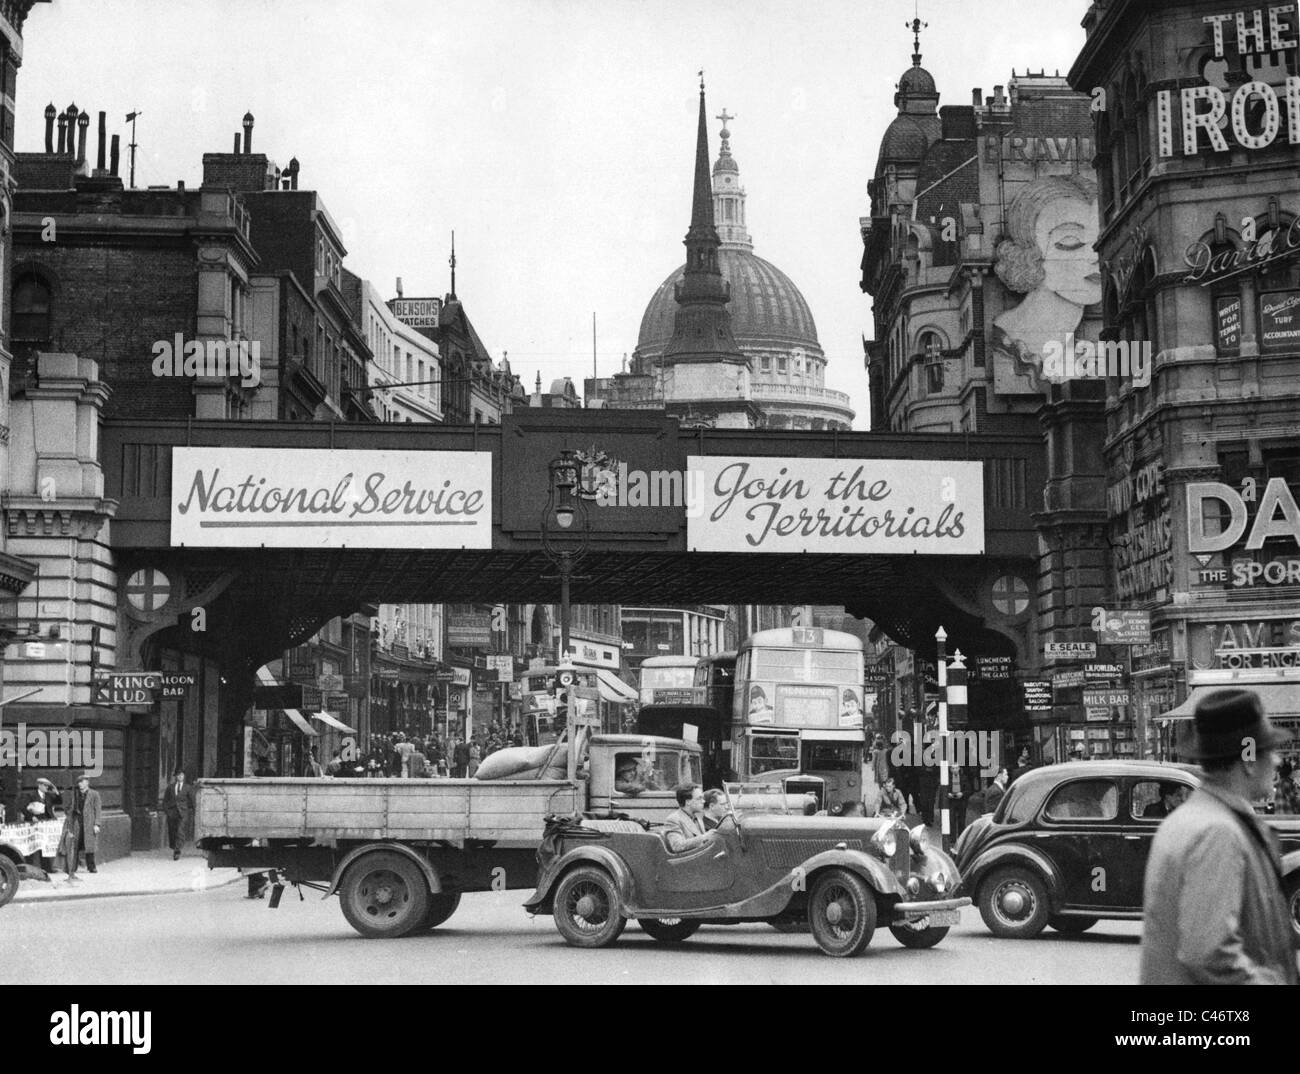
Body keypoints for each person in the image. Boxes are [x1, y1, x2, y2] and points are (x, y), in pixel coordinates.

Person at [1141, 689, 1297, 985]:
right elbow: (1209, 952)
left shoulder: (1188, 819)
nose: (1277, 761)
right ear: (1249, 760)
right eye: (1270, 751)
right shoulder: (1218, 831)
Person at [61, 773, 102, 879]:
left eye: (82, 782)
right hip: (77, 822)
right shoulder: (75, 794)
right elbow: (69, 806)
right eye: (79, 782)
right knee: (75, 844)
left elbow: (98, 809)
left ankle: (91, 866)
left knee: (89, 846)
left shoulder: (94, 794)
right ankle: (73, 867)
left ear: (87, 783)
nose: (80, 784)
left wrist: (97, 824)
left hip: (89, 823)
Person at [23, 777, 63, 873]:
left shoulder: (49, 795)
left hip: (46, 822)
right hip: (35, 823)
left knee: (45, 844)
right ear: (39, 785)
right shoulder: (31, 795)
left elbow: (59, 801)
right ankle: (29, 868)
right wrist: (31, 816)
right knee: (33, 845)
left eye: (48, 786)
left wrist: (56, 792)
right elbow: (23, 808)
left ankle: (47, 868)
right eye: (45, 786)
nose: (47, 788)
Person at [662, 784, 713, 853]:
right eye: (699, 798)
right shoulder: (673, 820)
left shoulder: (697, 817)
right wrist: (704, 837)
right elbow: (677, 846)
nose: (703, 801)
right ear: (688, 802)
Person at [162, 769, 195, 861]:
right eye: (179, 775)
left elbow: (192, 801)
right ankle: (174, 847)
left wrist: (194, 812)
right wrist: (167, 811)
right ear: (176, 776)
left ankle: (177, 851)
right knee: (173, 831)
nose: (180, 777)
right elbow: (165, 801)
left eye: (182, 775)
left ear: (184, 776)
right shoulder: (170, 787)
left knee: (180, 831)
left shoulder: (188, 787)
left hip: (183, 813)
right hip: (172, 813)